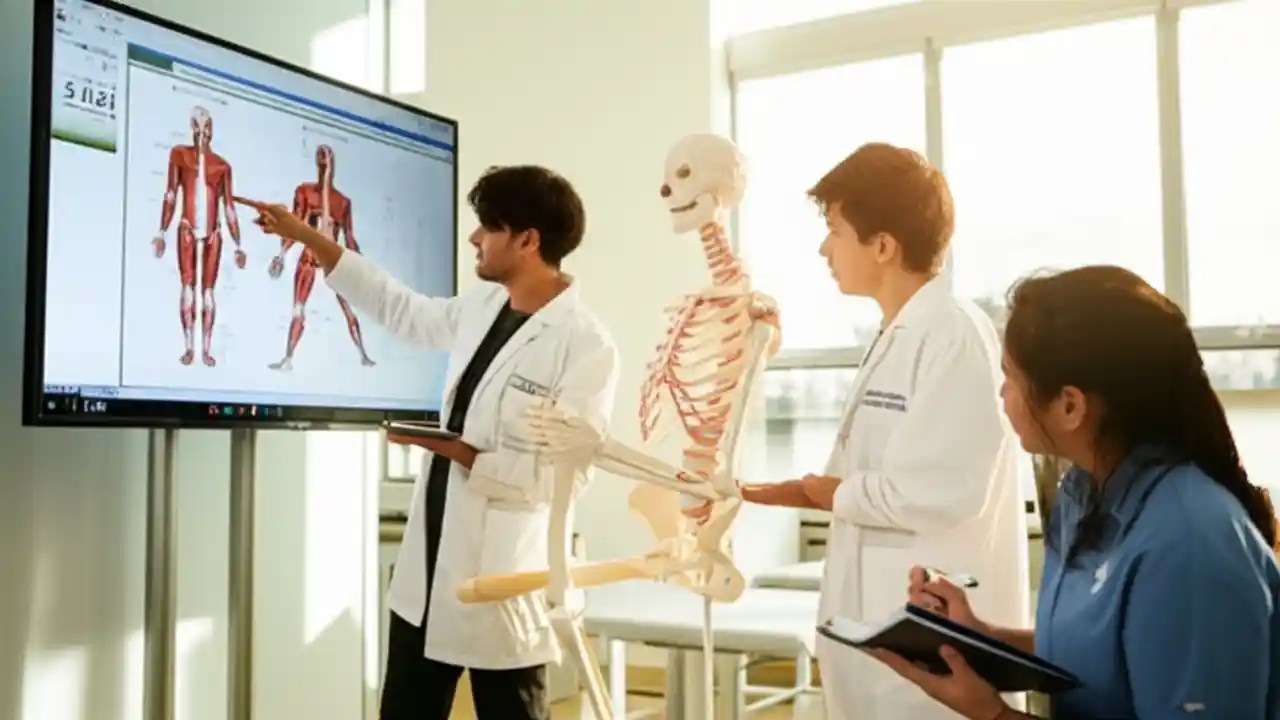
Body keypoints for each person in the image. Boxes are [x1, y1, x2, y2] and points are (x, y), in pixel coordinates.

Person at [236, 165, 620, 720]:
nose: (474, 238)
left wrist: (465, 454)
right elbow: (402, 310)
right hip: (425, 580)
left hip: (502, 583)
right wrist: (308, 236)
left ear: (528, 240)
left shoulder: (586, 345)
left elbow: (566, 477)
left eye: (487, 227)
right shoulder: (481, 307)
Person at [692, 142, 1030, 718]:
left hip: (929, 653)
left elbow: (943, 492)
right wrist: (747, 491)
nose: (825, 248)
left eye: (835, 230)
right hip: (877, 635)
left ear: (882, 245)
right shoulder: (897, 333)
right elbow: (856, 479)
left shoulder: (951, 333)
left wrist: (835, 493)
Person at [872, 265, 1280, 720]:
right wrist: (978, 638)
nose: (1002, 394)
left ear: (1070, 405)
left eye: (1009, 376)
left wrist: (994, 715)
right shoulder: (1081, 495)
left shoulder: (1190, 545)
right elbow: (1100, 658)